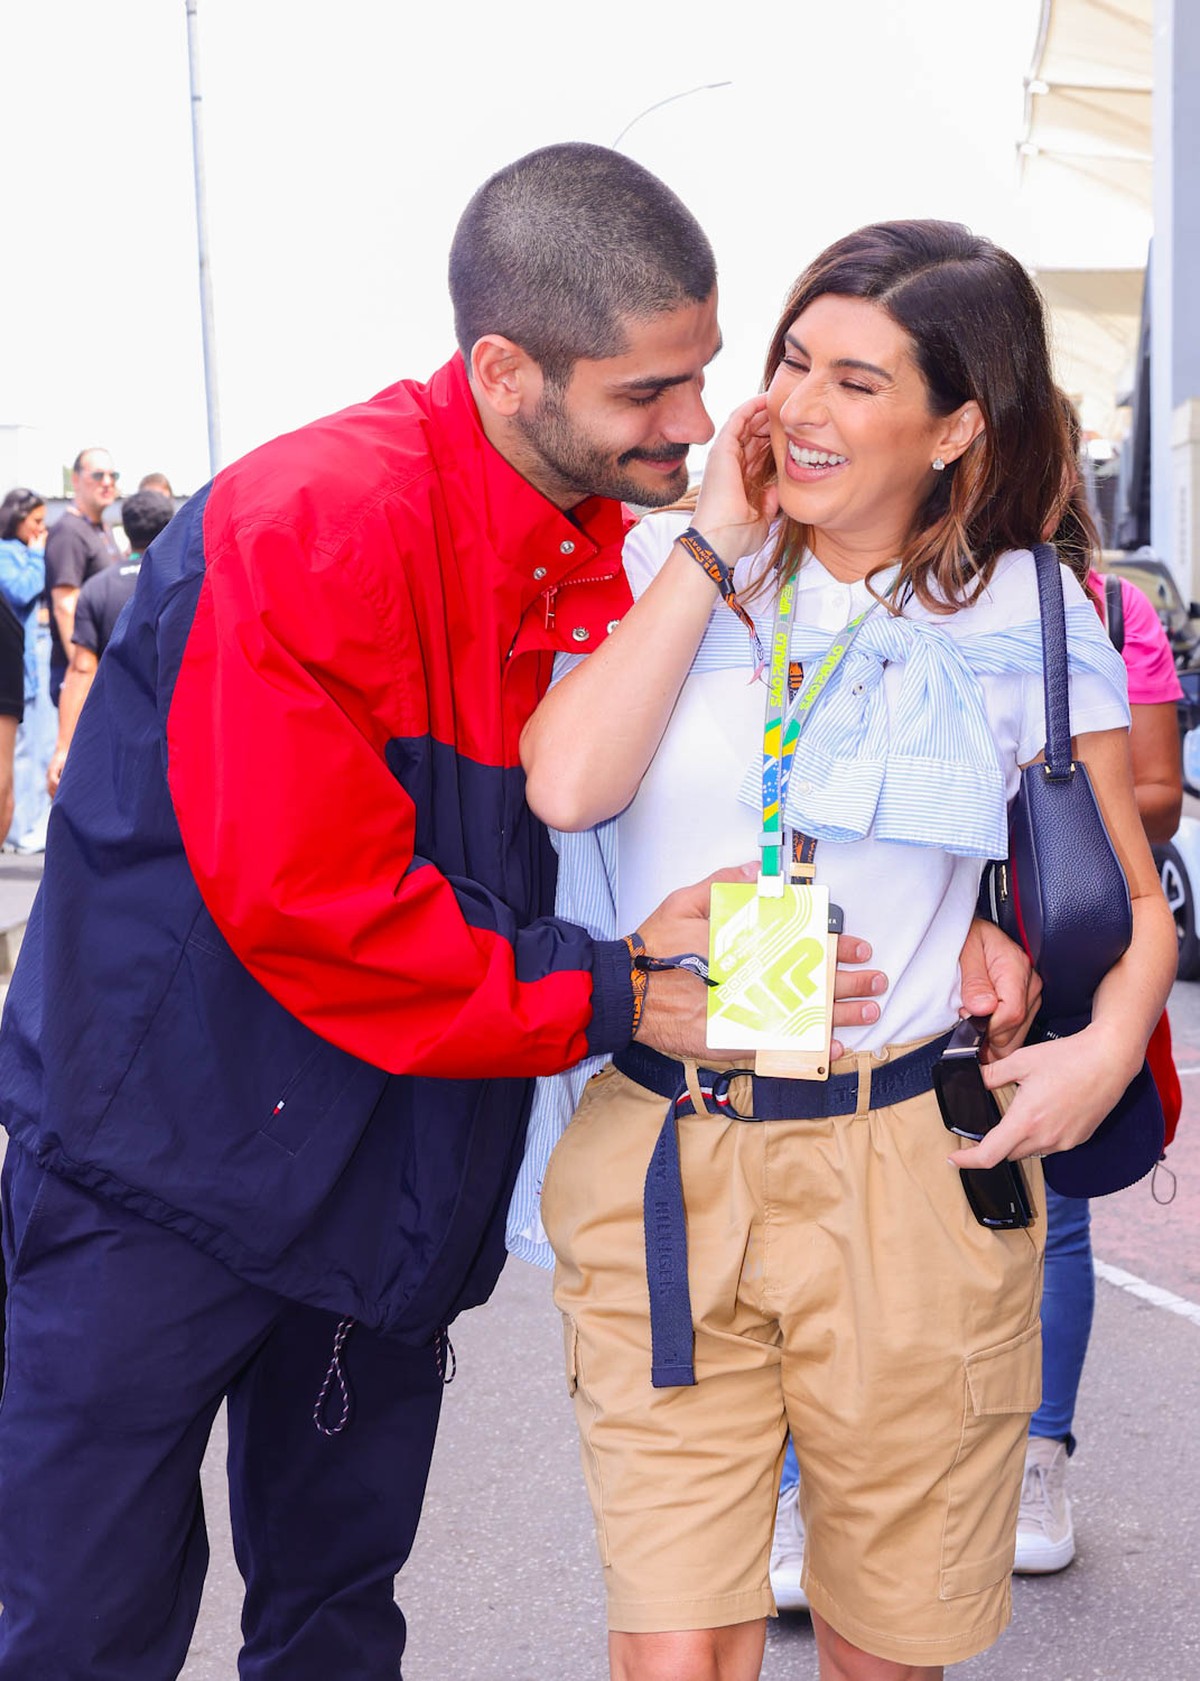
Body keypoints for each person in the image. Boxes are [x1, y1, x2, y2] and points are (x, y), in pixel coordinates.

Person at [0, 143, 920, 1681]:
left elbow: (722, 793)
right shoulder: (314, 517)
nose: (694, 422)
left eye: (702, 372)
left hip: (386, 1186)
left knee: (338, 1619)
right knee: (77, 1629)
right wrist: (621, 990)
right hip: (159, 1179)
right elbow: (321, 903)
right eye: (649, 391)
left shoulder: (620, 548)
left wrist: (988, 915)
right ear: (505, 371)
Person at [519, 219, 1177, 1681]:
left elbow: (1135, 905)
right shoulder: (658, 562)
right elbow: (568, 785)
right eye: (795, 362)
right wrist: (714, 547)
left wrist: (1102, 1049)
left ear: (957, 426)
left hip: (904, 1170)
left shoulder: (1033, 611)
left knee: (886, 1649)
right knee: (675, 1647)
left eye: (861, 383)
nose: (805, 408)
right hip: (667, 1160)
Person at [1011, 453, 1184, 1574]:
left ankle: (1038, 1460)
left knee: (1054, 1206)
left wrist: (1063, 780)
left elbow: (1158, 801)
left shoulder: (1110, 610)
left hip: (1060, 929)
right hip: (916, 936)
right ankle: (798, 1481)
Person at [46, 488, 175, 797]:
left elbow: (81, 670)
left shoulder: (96, 588)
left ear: (127, 531)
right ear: (171, 525)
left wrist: (64, 746)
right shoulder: (181, 581)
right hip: (175, 726)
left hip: (117, 726)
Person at [42, 446, 121, 706]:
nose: (107, 483)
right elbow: (65, 606)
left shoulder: (102, 529)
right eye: (98, 475)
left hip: (105, 673)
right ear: (75, 480)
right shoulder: (68, 532)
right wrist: (83, 675)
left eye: (113, 475)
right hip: (86, 679)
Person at [0, 490, 48, 845]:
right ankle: (19, 831)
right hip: (11, 668)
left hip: (21, 665)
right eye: (35, 522)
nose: (40, 530)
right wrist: (36, 557)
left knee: (28, 751)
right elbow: (21, 590)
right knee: (18, 756)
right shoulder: (7, 554)